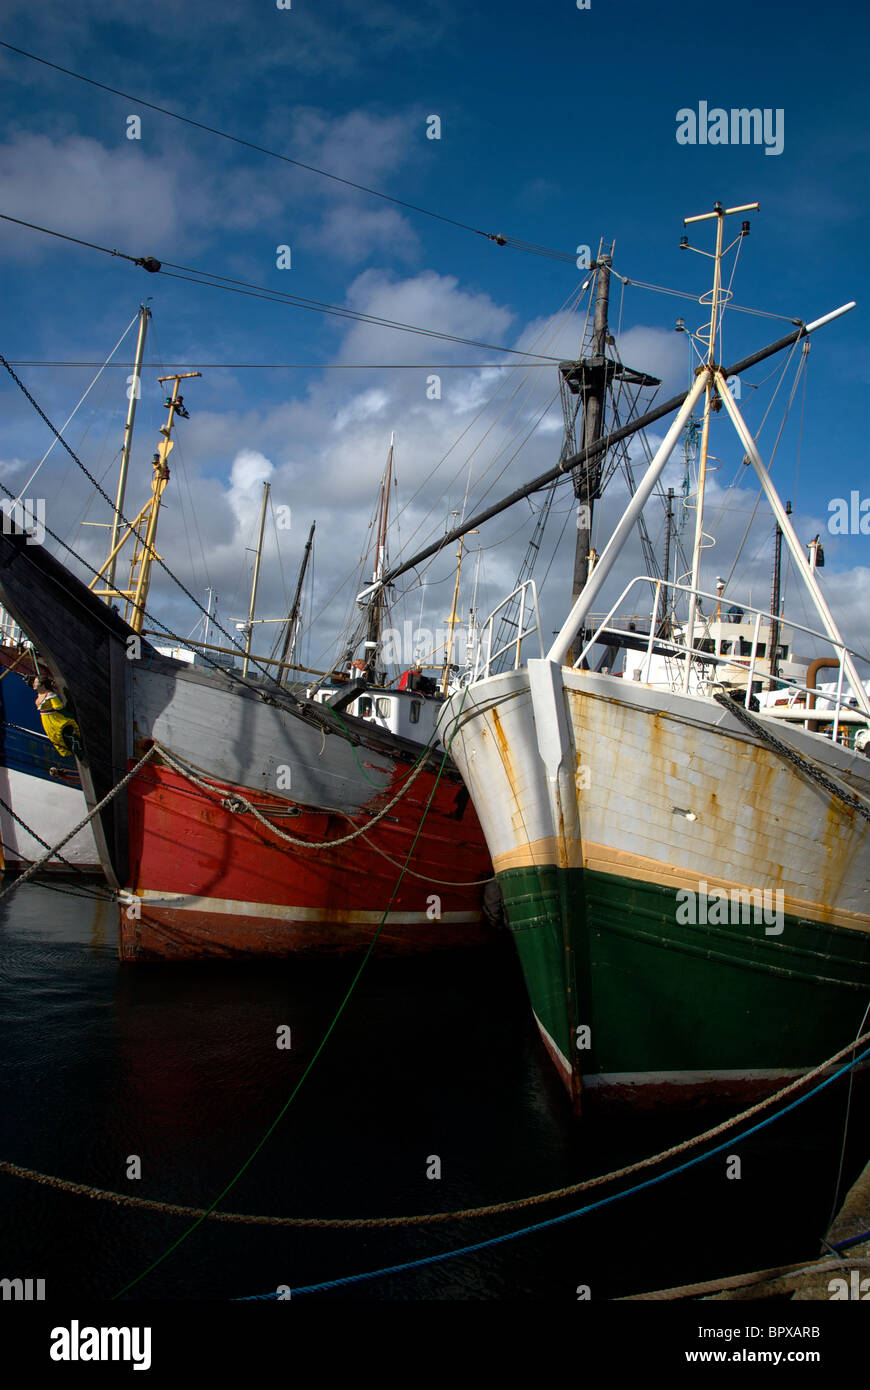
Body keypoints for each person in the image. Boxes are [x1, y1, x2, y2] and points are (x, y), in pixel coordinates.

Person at [32, 679, 83, 759]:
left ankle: (76, 744)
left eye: (35, 682)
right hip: (46, 720)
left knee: (61, 731)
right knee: (54, 737)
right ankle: (70, 746)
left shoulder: (50, 695)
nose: (33, 684)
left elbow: (59, 707)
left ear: (42, 685)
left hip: (54, 718)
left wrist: (68, 715)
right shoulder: (40, 694)